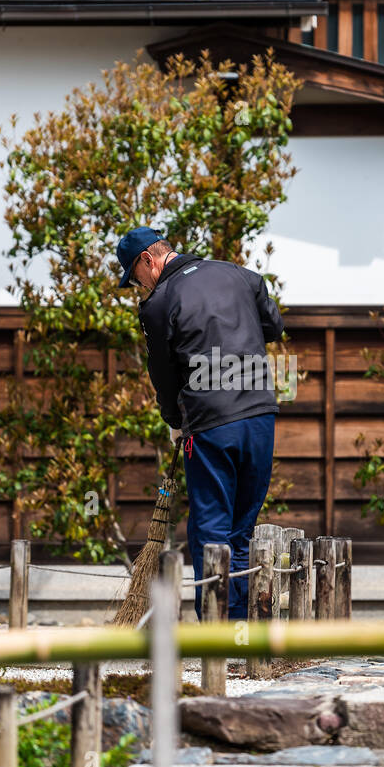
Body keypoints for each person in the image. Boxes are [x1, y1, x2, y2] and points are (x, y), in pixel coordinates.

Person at [116, 225, 283, 620]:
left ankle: (216, 634)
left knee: (211, 530)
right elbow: (273, 328)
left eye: (135, 278)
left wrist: (175, 420)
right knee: (242, 531)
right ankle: (240, 630)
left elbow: (163, 373)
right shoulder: (240, 275)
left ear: (148, 261)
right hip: (260, 415)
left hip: (211, 424)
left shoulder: (158, 303)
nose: (138, 286)